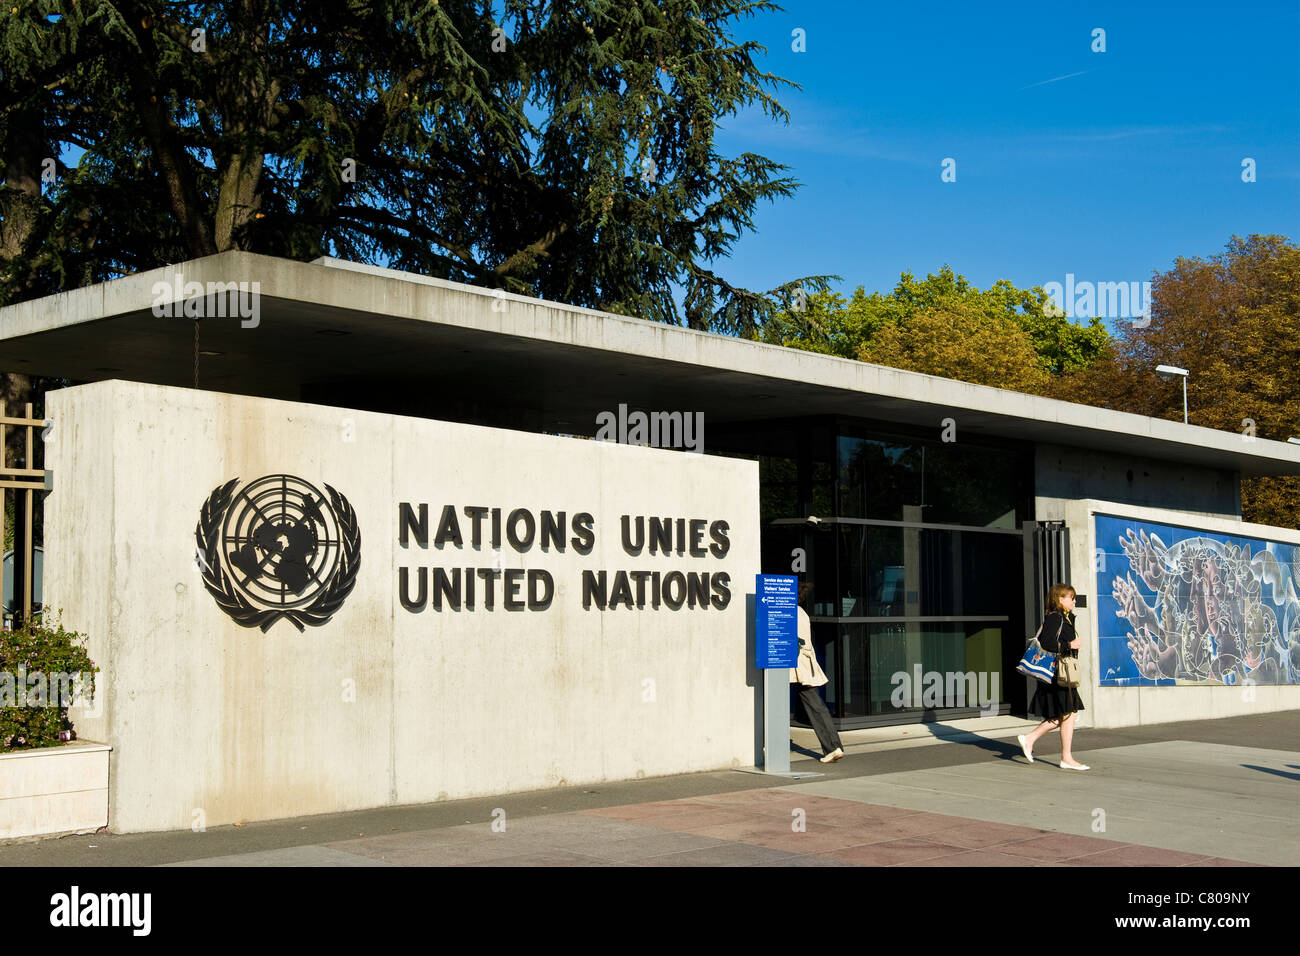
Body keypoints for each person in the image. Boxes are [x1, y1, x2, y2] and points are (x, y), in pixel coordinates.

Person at [1017, 583, 1089, 770]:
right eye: (1071, 598)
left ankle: (1030, 739)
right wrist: (1069, 645)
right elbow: (1047, 643)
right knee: (1068, 714)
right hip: (1057, 674)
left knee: (1067, 714)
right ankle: (1065, 758)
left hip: (1062, 674)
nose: (1074, 601)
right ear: (1060, 599)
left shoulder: (1065, 618)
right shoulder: (1055, 618)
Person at [791, 583, 844, 763]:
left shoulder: (788, 612)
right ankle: (833, 746)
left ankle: (768, 742)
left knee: (771, 702)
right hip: (804, 663)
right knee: (816, 705)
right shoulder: (801, 612)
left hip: (791, 663)